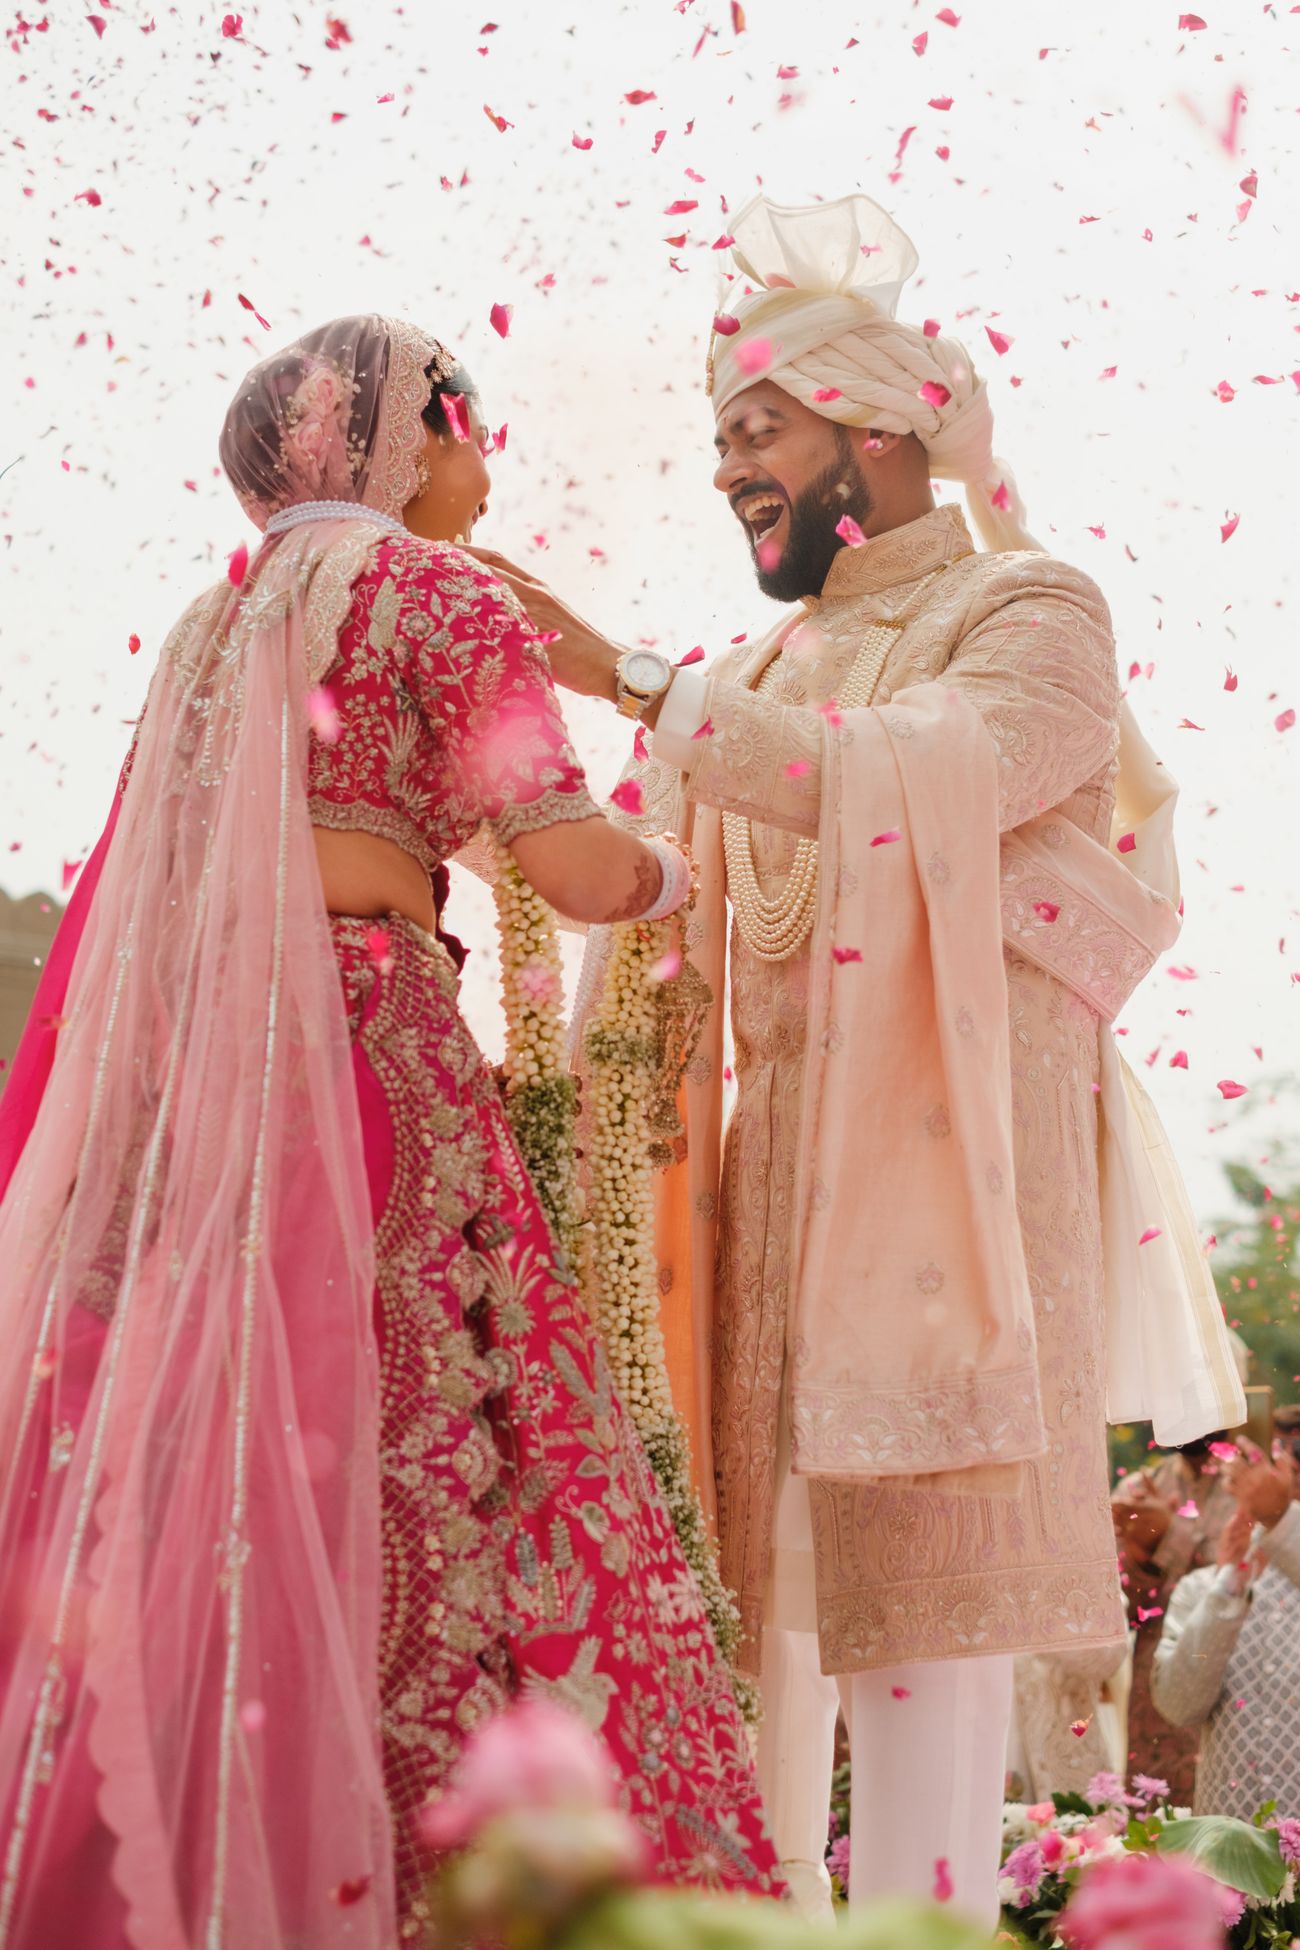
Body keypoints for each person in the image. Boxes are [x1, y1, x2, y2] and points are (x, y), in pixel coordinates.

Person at [470, 193, 1245, 1925]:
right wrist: (467, 806)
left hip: (948, 1183)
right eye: (717, 441)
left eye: (757, 428)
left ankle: (937, 1924)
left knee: (929, 1630)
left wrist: (635, 677)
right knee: (761, 1627)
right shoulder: (754, 665)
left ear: (875, 423)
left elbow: (959, 763)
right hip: (758, 1198)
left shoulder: (1028, 605)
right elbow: (645, 896)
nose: (727, 470)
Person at [0, 315, 781, 1949]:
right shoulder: (440, 594)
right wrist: (680, 875)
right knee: (429, 1466)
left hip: (193, 1089)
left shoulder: (211, 632)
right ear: (405, 437)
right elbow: (563, 864)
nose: (491, 459)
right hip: (366, 1062)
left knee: (211, 1469)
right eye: (473, 422)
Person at [1150, 1415, 1300, 1818]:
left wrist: (1281, 1520)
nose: (1287, 1477)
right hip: (1227, 1860)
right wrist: (1227, 1587)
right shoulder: (1204, 1588)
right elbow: (1179, 1706)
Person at [1111, 1432, 1240, 1803]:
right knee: (1155, 1830)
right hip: (1157, 1692)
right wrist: (1143, 1559)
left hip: (1234, 1681)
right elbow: (1124, 1609)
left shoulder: (1254, 1489)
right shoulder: (1136, 1490)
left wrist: (1171, 1534)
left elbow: (1240, 1579)